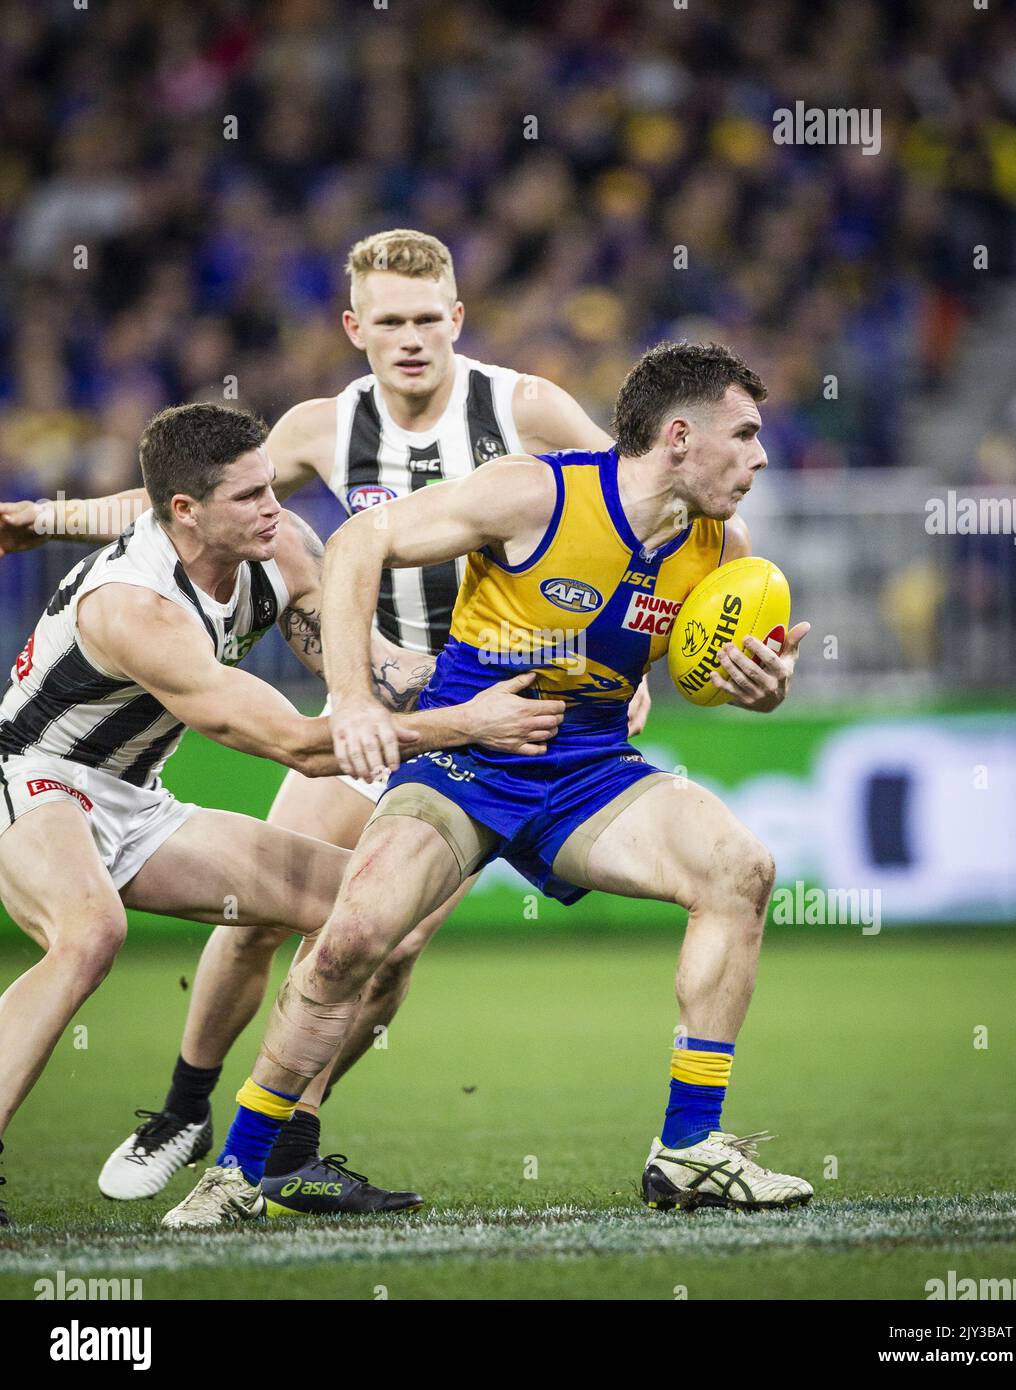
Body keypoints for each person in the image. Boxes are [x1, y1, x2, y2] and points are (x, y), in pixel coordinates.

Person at [0, 228, 637, 1215]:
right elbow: (183, 512)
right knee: (111, 933)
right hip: (57, 774)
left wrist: (609, 662)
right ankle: (183, 1105)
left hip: (303, 739)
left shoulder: (516, 412)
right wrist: (453, 713)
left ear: (458, 319)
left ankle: (285, 1144)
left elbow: (628, 518)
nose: (413, 339)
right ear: (354, 328)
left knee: (375, 927)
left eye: (430, 319)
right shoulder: (173, 579)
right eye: (391, 321)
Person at [163, 341, 814, 1230]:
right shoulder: (536, 492)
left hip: (587, 768)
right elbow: (361, 539)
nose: (760, 456)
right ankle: (240, 1171)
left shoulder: (722, 547)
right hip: (467, 757)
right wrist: (350, 695)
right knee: (354, 940)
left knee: (738, 868)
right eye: (743, 435)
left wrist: (761, 687)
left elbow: (710, 667)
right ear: (677, 437)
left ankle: (688, 1151)